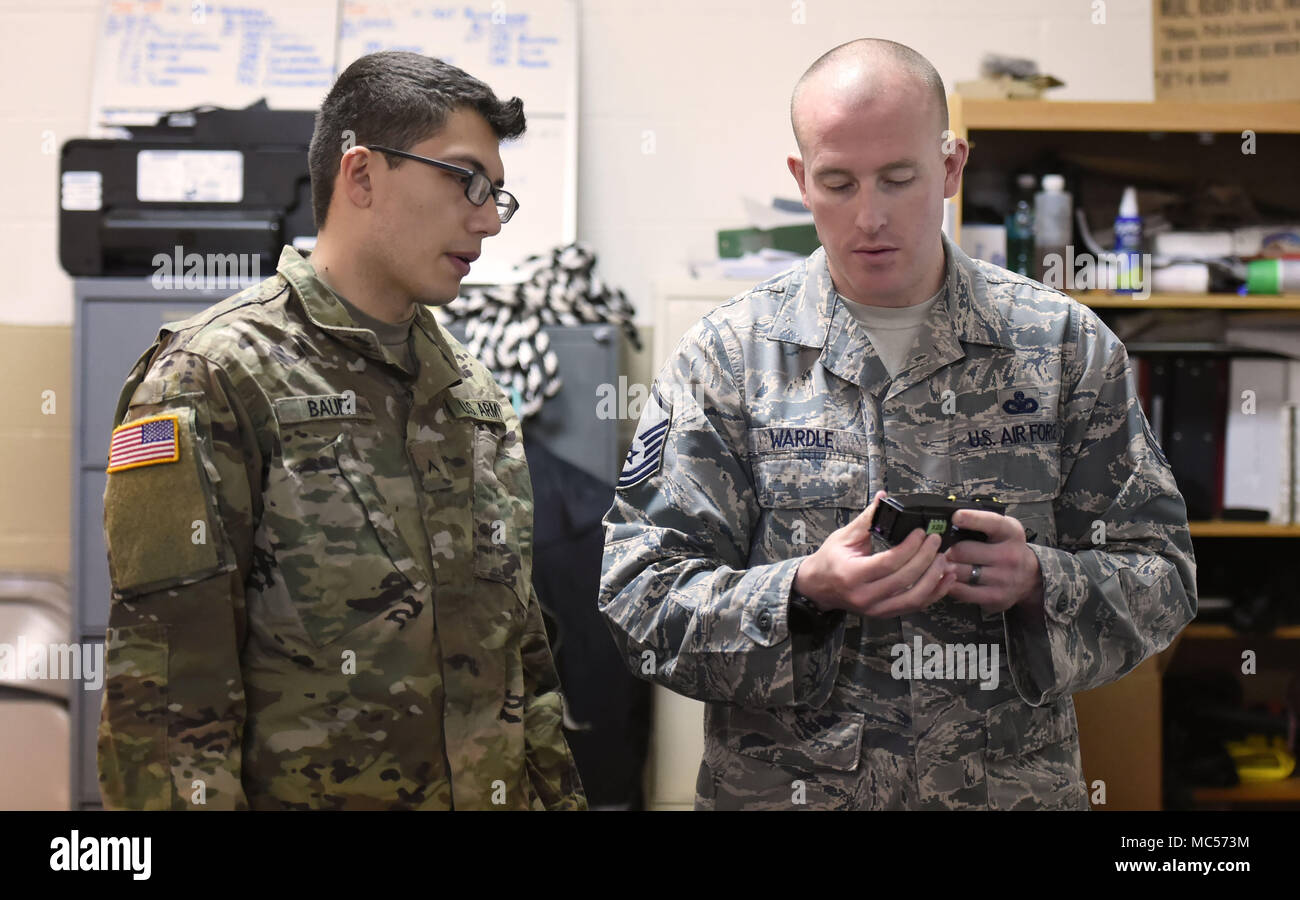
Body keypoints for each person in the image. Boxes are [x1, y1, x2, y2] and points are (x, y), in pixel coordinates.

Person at [599, 39, 1196, 810]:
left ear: (950, 168)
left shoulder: (1062, 348)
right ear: (799, 180)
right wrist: (803, 591)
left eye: (900, 178)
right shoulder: (727, 359)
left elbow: (1163, 576)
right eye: (838, 182)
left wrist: (1040, 581)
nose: (869, 217)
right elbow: (639, 600)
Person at [98, 50, 586, 810]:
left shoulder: (473, 396)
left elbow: (523, 669)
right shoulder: (214, 378)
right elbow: (166, 715)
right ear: (361, 175)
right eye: (467, 181)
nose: (489, 220)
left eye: (499, 195)